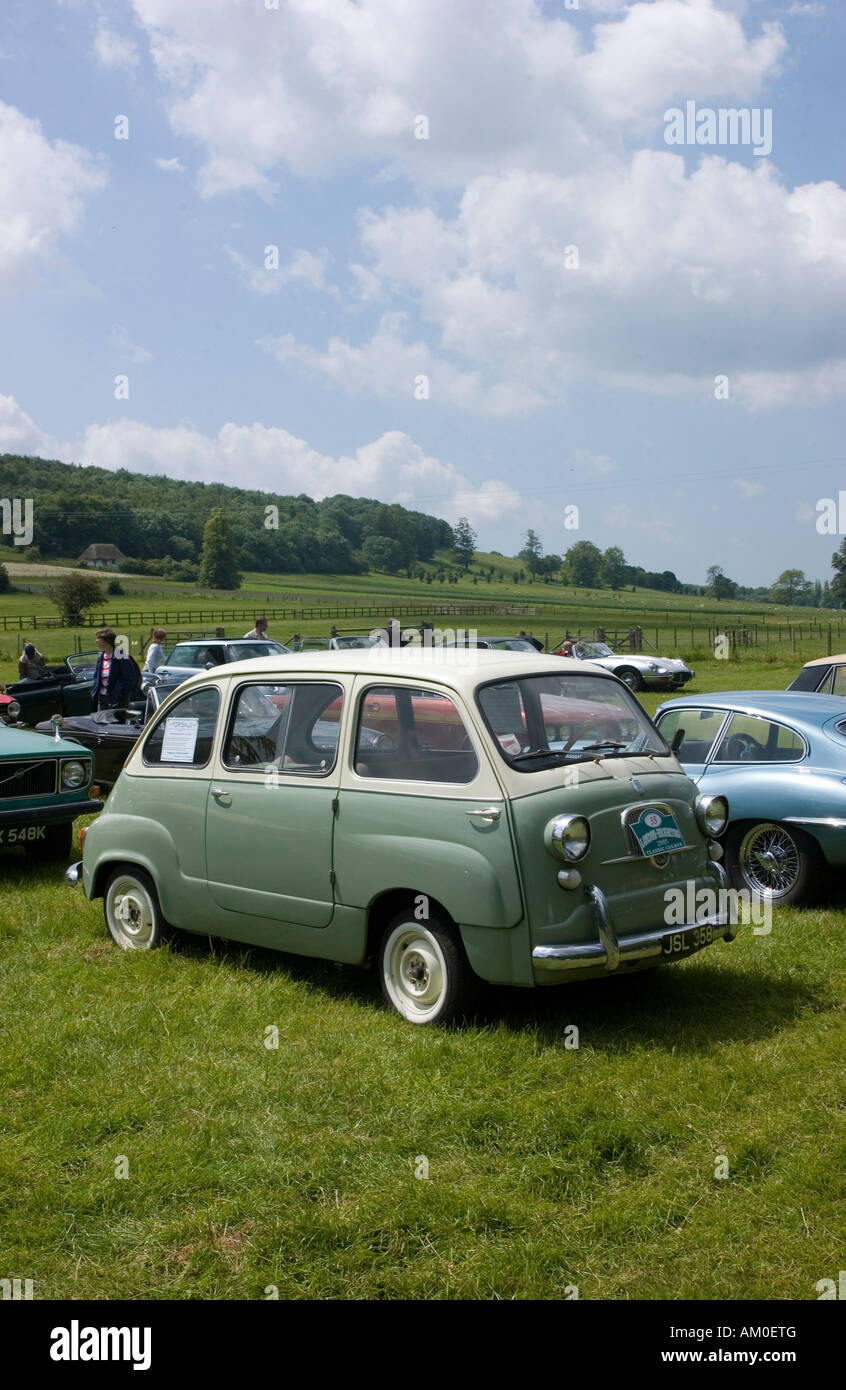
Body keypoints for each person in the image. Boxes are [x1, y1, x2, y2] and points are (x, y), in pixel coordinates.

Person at [90, 628, 138, 712]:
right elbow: (96, 677)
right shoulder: (101, 657)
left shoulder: (121, 655)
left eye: (98, 638)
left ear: (106, 640)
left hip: (117, 700)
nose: (96, 641)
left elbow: (130, 678)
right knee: (102, 720)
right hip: (102, 699)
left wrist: (119, 692)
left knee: (116, 720)